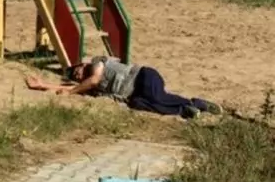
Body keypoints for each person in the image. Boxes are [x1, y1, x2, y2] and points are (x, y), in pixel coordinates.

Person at [25, 55, 222, 119]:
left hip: (144, 77)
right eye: (75, 77)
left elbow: (93, 80)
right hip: (136, 94)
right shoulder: (87, 87)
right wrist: (41, 85)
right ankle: (186, 110)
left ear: (82, 64)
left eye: (76, 71)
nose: (77, 75)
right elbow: (65, 87)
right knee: (140, 104)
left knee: (159, 98)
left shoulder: (97, 63)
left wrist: (72, 91)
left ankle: (197, 103)